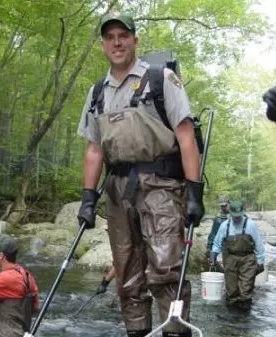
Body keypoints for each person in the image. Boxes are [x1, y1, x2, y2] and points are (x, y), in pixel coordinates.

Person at [77, 11, 204, 337]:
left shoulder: (162, 79)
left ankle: (176, 331)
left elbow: (186, 135)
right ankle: (137, 331)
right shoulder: (97, 93)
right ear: (104, 44)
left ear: (135, 40)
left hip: (161, 187)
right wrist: (87, 198)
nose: (117, 42)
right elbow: (94, 149)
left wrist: (194, 193)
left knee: (165, 268)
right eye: (110, 37)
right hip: (117, 192)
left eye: (123, 35)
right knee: (127, 273)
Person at [210, 200, 265, 312]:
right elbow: (217, 244)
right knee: (232, 290)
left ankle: (245, 317)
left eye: (239, 216)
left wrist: (260, 261)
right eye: (234, 216)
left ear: (242, 213)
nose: (237, 218)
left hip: (248, 259)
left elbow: (259, 244)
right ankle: (232, 317)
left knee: (245, 290)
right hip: (230, 259)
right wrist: (213, 256)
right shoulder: (224, 226)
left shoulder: (250, 225)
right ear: (230, 213)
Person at [206, 195, 230, 260]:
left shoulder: (237, 214)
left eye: (225, 205)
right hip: (224, 247)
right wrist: (209, 248)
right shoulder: (218, 219)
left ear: (229, 203)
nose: (223, 208)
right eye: (222, 206)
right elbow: (213, 234)